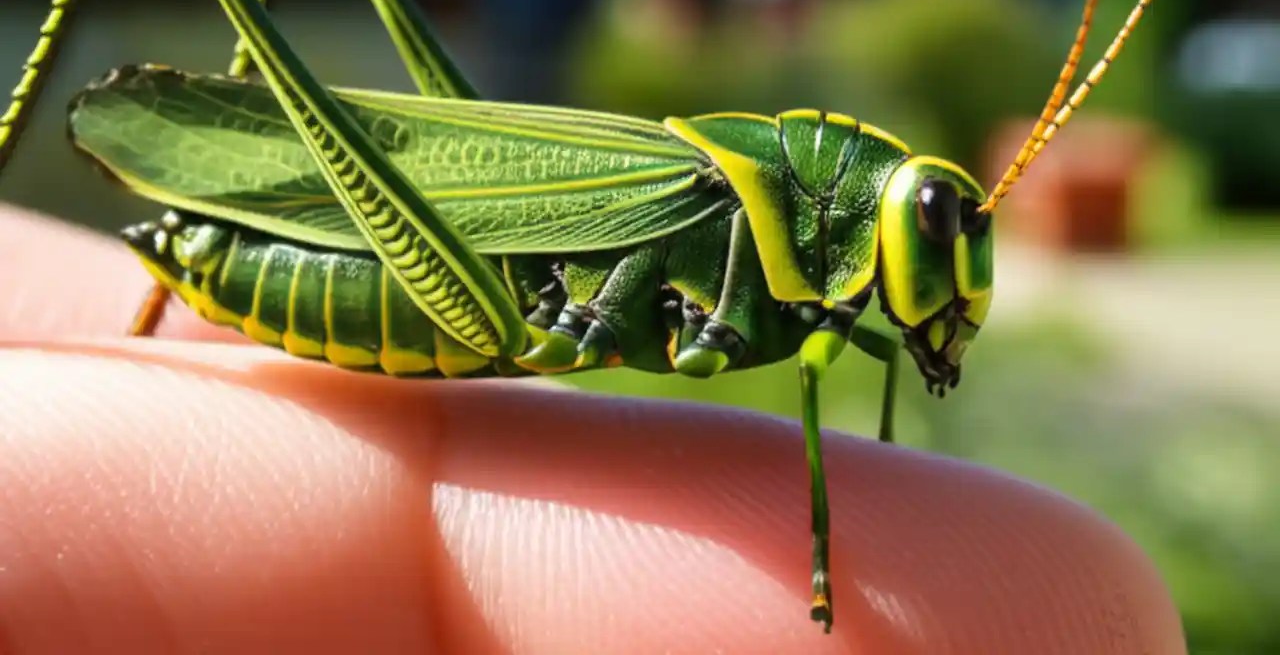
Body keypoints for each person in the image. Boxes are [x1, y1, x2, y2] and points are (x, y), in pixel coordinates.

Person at [0, 204, 1184, 653]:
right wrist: (823, 558)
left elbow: (848, 361)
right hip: (413, 281)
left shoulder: (832, 319)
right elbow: (823, 380)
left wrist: (875, 498)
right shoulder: (757, 230)